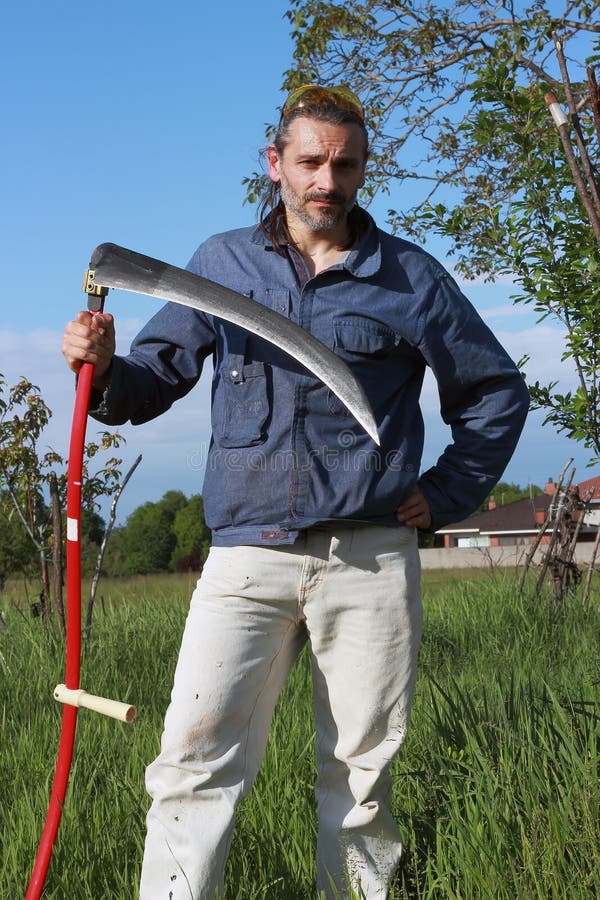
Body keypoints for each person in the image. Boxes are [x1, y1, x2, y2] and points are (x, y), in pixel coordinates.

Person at [62, 83, 529, 899]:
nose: (326, 181)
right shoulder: (221, 265)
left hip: (370, 557)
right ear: (274, 163)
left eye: (344, 165)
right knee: (192, 762)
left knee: (360, 774)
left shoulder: (409, 277)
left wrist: (448, 493)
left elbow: (494, 393)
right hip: (246, 558)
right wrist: (99, 367)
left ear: (363, 170)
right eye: (310, 161)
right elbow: (150, 382)